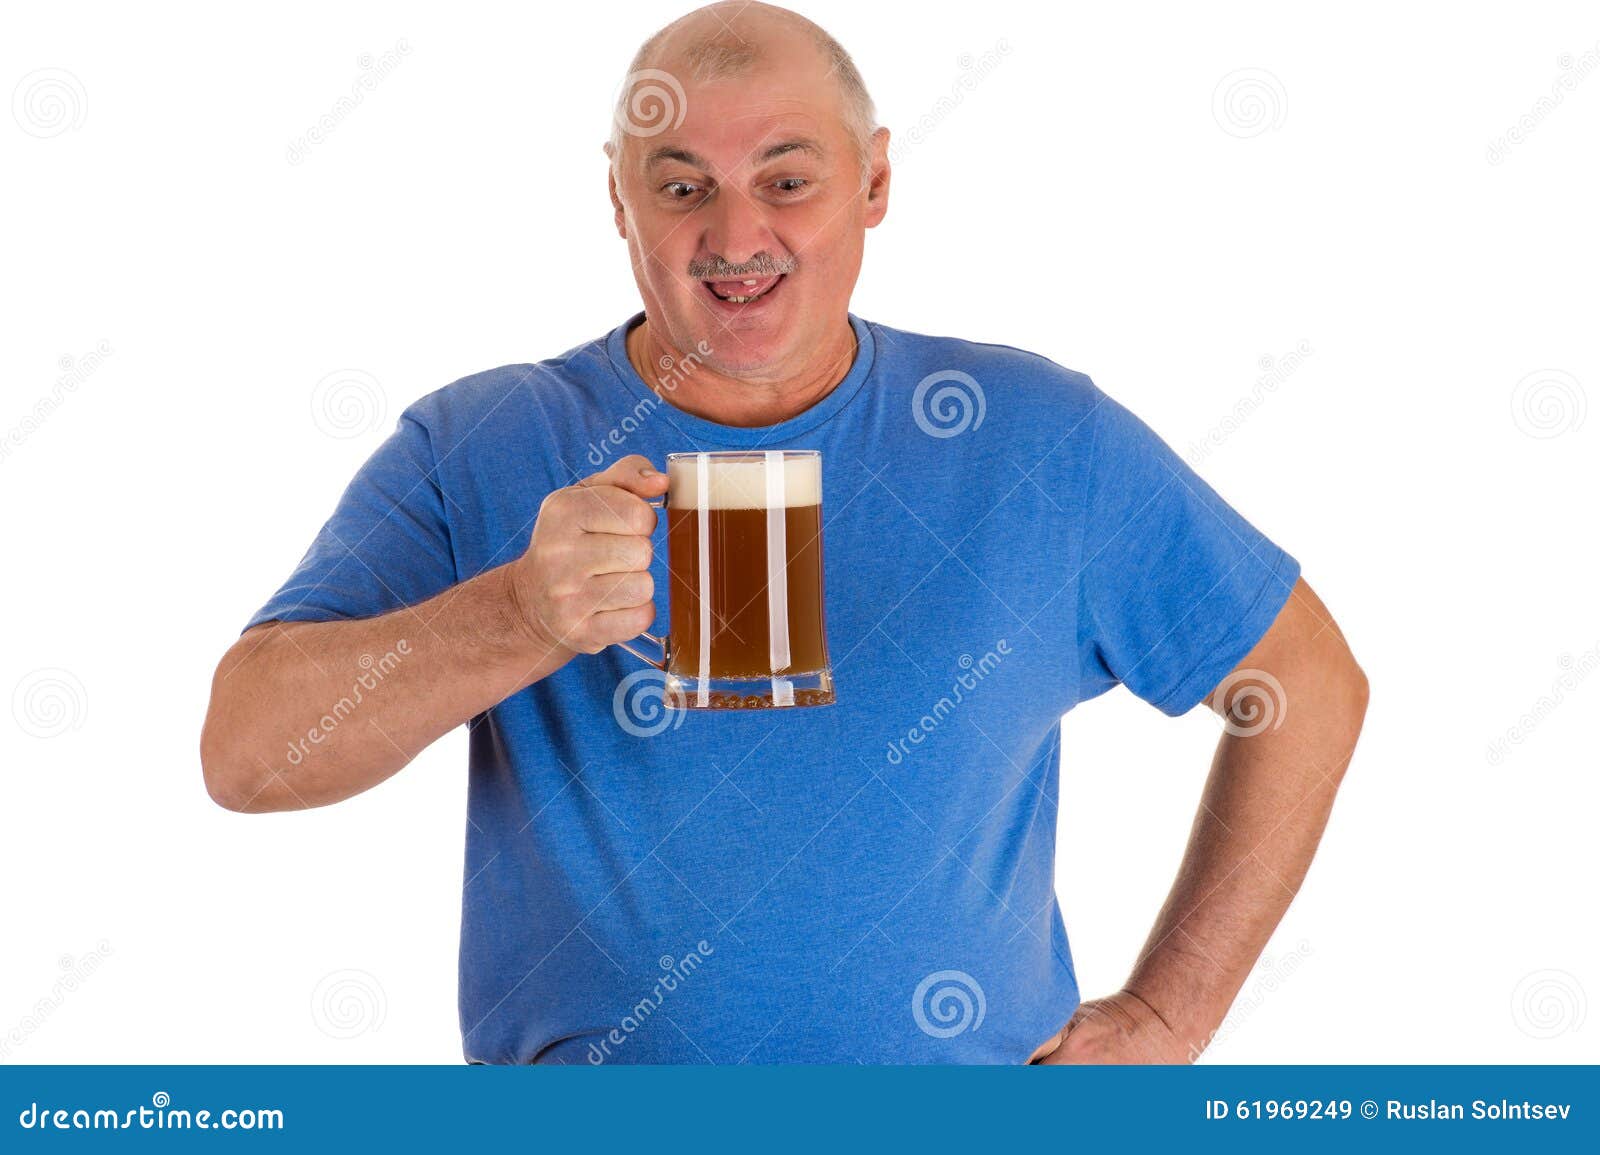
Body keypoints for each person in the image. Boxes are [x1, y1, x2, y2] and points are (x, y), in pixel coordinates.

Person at [200, 1, 1368, 1065]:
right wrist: (510, 616)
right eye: (681, 186)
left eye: (787, 179)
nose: (735, 234)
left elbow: (1305, 684)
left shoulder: (1038, 440)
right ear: (618, 199)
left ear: (874, 184)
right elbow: (248, 757)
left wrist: (1172, 1016)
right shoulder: (483, 440)